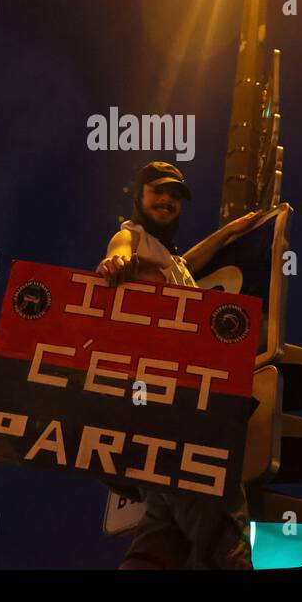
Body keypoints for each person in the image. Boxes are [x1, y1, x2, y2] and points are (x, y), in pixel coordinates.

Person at [95, 160, 262, 569]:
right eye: (157, 191)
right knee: (221, 528)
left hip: (158, 433)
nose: (167, 200)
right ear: (140, 196)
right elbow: (118, 252)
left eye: (175, 196)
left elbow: (187, 262)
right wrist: (114, 263)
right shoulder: (130, 237)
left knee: (157, 542)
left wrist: (228, 233)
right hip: (179, 417)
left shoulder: (172, 263)